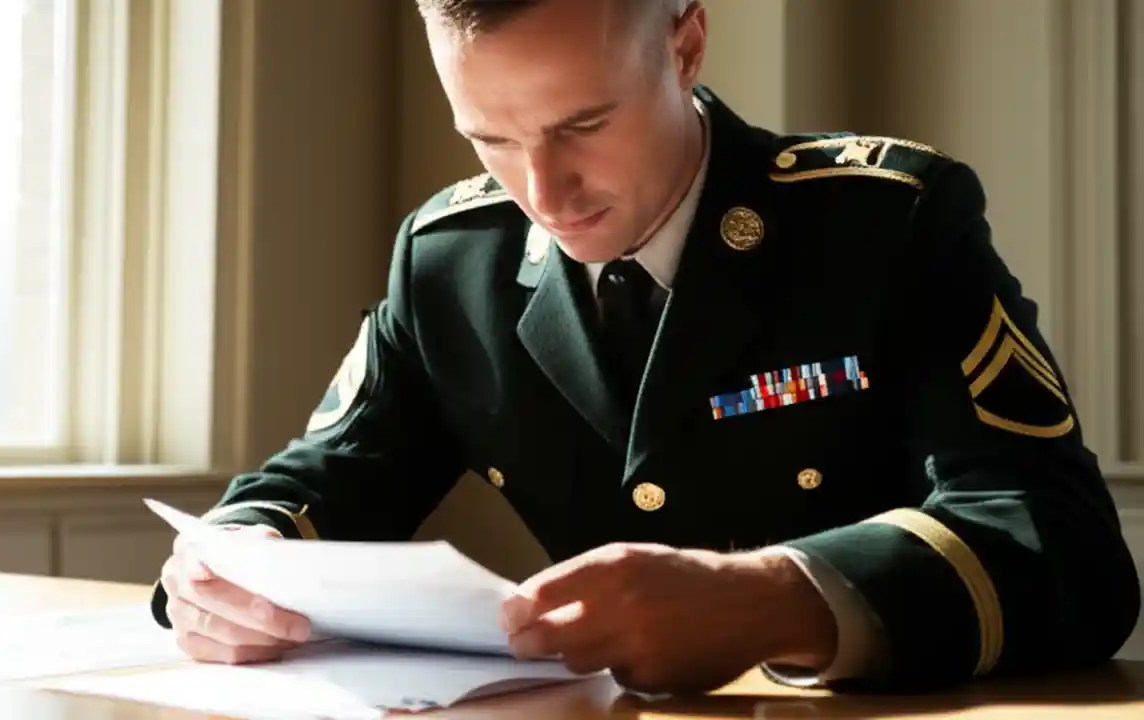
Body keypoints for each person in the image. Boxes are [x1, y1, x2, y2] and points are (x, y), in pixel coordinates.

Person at [151, 0, 1140, 693]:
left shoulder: (883, 223)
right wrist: (223, 568)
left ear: (685, 44)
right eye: (488, 138)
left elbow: (1067, 552)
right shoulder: (451, 258)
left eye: (581, 123)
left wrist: (774, 599)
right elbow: (324, 476)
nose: (541, 192)